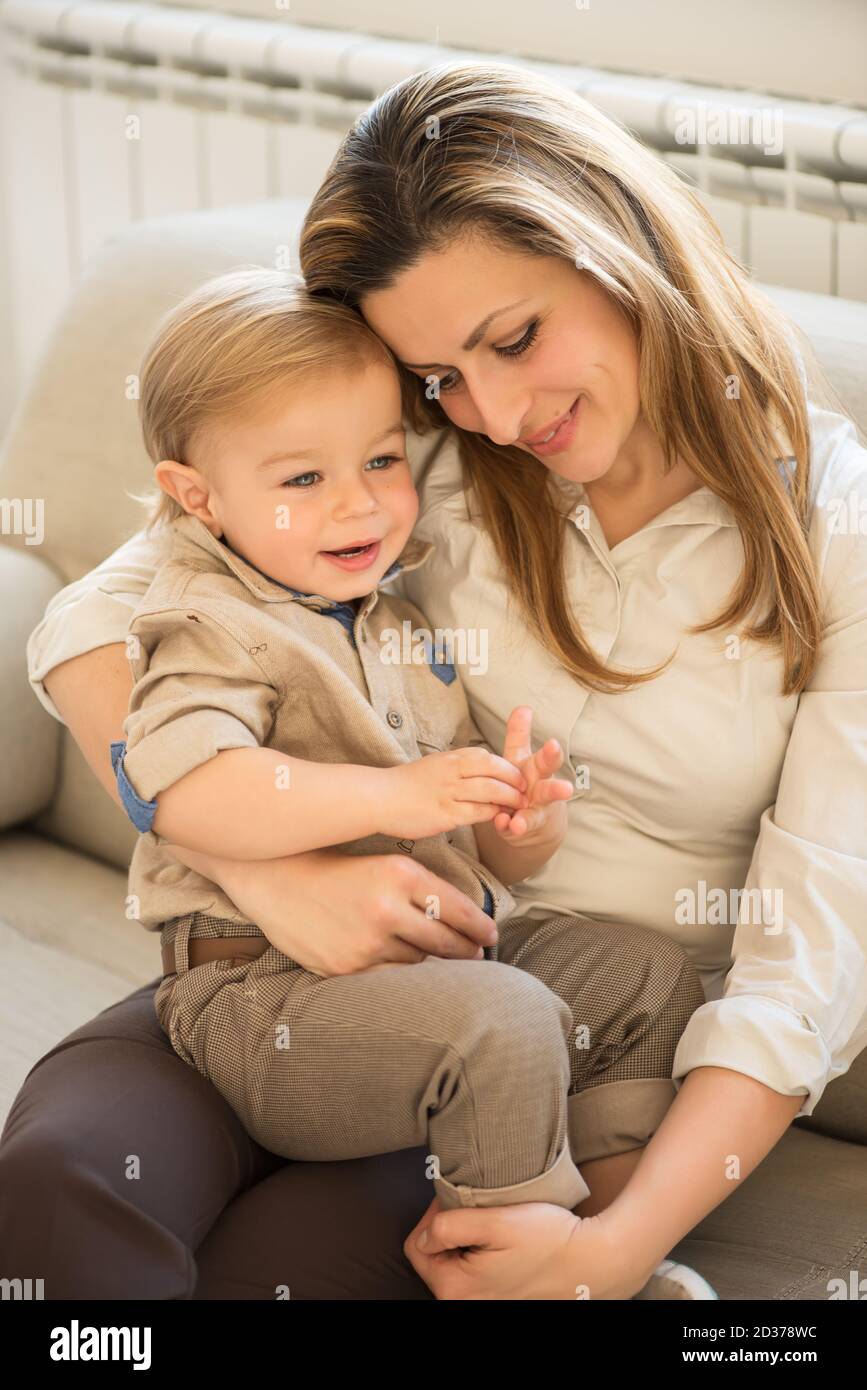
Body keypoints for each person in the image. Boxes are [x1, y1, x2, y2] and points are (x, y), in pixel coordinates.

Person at [17, 60, 867, 1299]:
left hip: (521, 1035)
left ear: (614, 238)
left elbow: (808, 965)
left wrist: (612, 1251)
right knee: (58, 1185)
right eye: (445, 379)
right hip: (268, 963)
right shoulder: (405, 447)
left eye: (515, 339)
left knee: (283, 1269)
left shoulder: (835, 528)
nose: (501, 412)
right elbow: (88, 622)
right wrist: (277, 870)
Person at [113, 262, 688, 1237]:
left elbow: (478, 842)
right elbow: (188, 791)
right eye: (303, 478)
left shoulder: (394, 620)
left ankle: (605, 1225)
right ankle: (507, 1248)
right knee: (502, 1020)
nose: (361, 505)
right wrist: (395, 796)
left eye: (381, 461)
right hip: (262, 992)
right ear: (197, 497)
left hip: (438, 947)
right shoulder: (205, 618)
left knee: (646, 974)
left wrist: (518, 822)